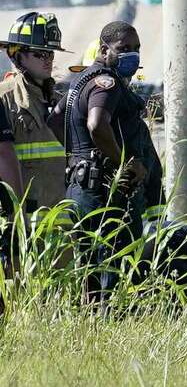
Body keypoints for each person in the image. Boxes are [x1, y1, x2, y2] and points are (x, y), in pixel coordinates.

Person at [63, 21, 149, 299]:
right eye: (124, 48)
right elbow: (97, 125)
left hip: (81, 185)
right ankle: (110, 328)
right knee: (112, 271)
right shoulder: (107, 83)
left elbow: (55, 120)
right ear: (104, 49)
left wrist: (78, 156)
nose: (133, 55)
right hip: (106, 190)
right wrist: (125, 162)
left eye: (136, 49)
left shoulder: (80, 80)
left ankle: (92, 330)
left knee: (88, 272)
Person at [0, 12, 68, 222]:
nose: (48, 59)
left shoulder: (61, 101)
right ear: (17, 55)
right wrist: (15, 219)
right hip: (21, 223)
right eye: (40, 53)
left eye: (51, 53)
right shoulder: (5, 99)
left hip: (62, 226)